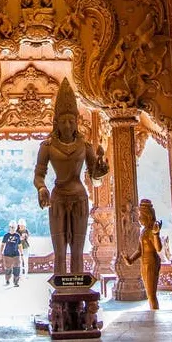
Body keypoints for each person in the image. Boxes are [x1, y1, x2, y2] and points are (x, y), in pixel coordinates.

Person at [34, 78, 109, 274]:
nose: (67, 125)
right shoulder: (47, 146)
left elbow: (95, 178)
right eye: (63, 121)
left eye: (71, 121)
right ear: (56, 123)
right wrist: (42, 188)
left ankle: (79, 287)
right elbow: (39, 174)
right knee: (59, 251)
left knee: (77, 250)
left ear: (77, 122)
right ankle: (60, 287)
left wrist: (100, 172)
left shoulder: (85, 146)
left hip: (79, 197)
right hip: (58, 197)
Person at [122, 199, 163, 310]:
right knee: (149, 294)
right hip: (144, 263)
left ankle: (155, 313)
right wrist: (130, 259)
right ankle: (153, 312)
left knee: (151, 294)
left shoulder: (151, 231)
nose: (139, 218)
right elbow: (140, 250)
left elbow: (158, 248)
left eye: (141, 216)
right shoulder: (143, 231)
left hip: (151, 262)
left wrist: (156, 234)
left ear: (148, 216)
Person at [0, 221, 22, 286]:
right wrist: (0, 253)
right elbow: (2, 245)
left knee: (17, 268)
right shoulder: (6, 236)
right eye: (11, 227)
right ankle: (7, 280)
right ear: (9, 227)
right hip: (7, 254)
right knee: (8, 268)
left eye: (14, 227)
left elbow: (20, 245)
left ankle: (16, 282)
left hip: (16, 254)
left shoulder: (17, 236)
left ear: (16, 228)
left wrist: (22, 253)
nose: (13, 228)